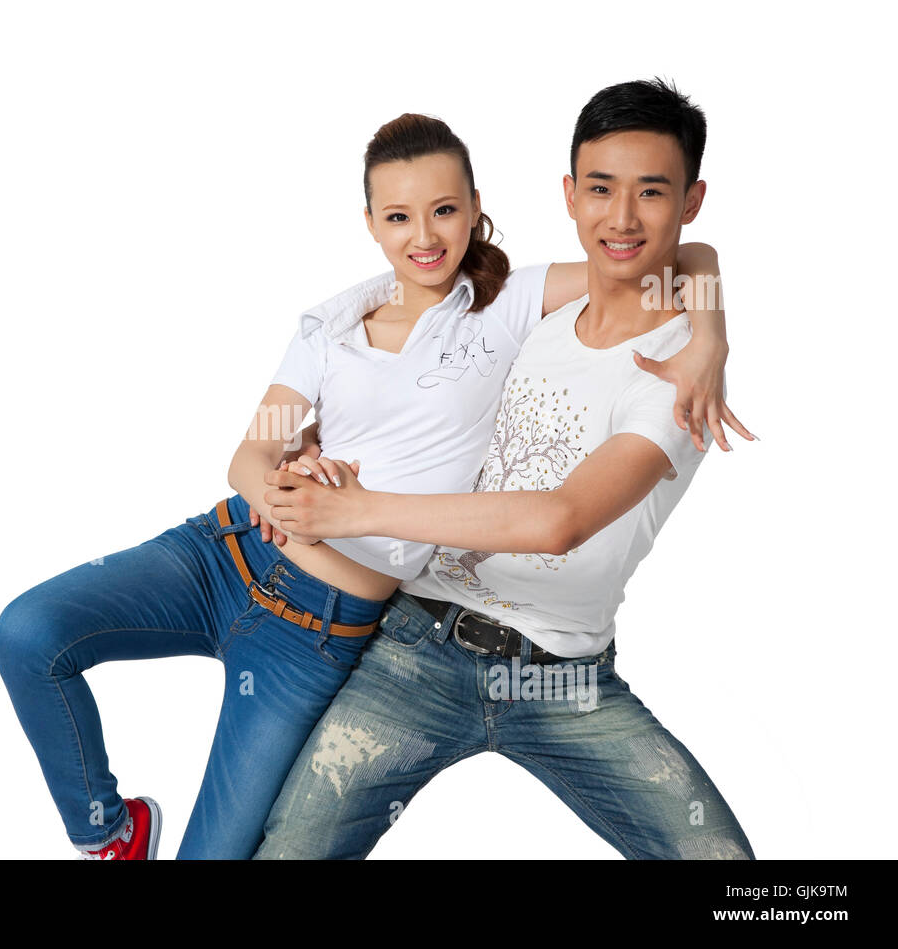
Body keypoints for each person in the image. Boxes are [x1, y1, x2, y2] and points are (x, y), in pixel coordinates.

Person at [0, 107, 742, 859]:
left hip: (336, 636)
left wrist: (710, 335)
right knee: (29, 633)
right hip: (241, 561)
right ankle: (110, 832)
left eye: (446, 211)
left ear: (477, 213)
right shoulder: (336, 318)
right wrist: (290, 490)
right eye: (399, 216)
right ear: (372, 223)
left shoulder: (513, 299)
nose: (425, 236)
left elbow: (678, 257)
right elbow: (249, 456)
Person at [252, 78, 755, 860]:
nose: (621, 218)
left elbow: (557, 521)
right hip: (419, 644)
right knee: (287, 852)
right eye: (600, 190)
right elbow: (426, 397)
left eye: (651, 192)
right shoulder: (537, 310)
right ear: (570, 195)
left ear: (691, 199)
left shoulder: (681, 377)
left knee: (730, 872)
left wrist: (360, 509)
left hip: (563, 678)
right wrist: (314, 441)